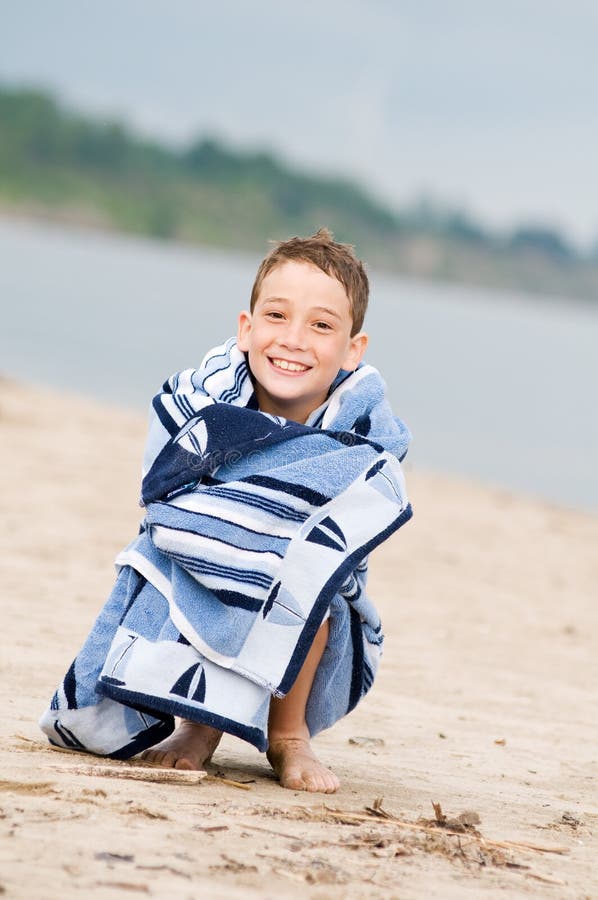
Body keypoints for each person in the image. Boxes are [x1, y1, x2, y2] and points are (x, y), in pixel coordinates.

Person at [40, 228, 412, 794]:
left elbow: (359, 508)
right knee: (200, 556)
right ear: (246, 328)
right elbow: (168, 489)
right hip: (202, 557)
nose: (294, 339)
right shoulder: (205, 399)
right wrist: (226, 533)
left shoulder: (357, 430)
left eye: (321, 325)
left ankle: (288, 735)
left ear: (352, 350)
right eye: (277, 316)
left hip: (305, 602)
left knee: (313, 581)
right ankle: (199, 724)